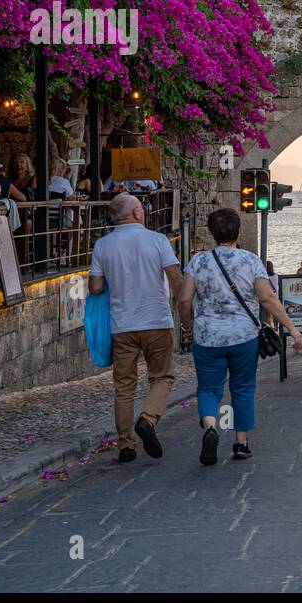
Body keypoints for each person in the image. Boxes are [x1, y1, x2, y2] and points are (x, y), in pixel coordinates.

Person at [177, 208, 302, 466]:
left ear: (212, 232)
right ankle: (241, 443)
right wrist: (292, 328)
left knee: (209, 388)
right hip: (243, 336)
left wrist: (188, 324)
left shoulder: (197, 262)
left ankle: (211, 428)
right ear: (238, 231)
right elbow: (267, 298)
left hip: (208, 337)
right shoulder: (250, 260)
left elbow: (184, 299)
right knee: (243, 388)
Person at [89, 193, 184, 463]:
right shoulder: (157, 240)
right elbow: (176, 280)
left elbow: (95, 287)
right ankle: (148, 418)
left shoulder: (102, 245)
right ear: (137, 213)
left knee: (124, 386)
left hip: (122, 325)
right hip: (156, 321)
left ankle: (126, 445)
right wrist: (187, 315)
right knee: (162, 377)